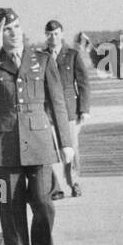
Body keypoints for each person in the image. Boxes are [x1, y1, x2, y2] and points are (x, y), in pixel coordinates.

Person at [0, 7, 74, 245]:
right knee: (8, 207)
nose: (13, 33)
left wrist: (66, 142)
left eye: (15, 27)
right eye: (6, 29)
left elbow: (58, 102)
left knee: (43, 203)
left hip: (39, 145)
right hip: (4, 149)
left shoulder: (41, 59)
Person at [44, 19, 91, 197]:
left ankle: (74, 182)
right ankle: (56, 187)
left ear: (61, 34)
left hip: (69, 109)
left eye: (56, 34)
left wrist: (84, 109)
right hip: (48, 111)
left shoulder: (72, 55)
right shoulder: (41, 56)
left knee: (71, 146)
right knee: (51, 148)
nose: (53, 37)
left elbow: (83, 83)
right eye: (49, 34)